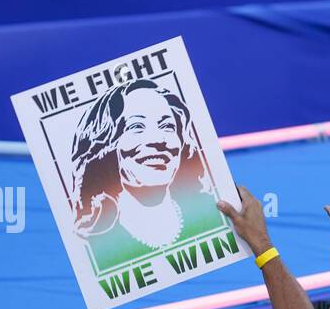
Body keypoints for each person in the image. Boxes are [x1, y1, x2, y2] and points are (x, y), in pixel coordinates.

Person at [66, 79, 227, 272]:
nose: (158, 140)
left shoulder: (217, 216)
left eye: (167, 126)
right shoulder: (86, 245)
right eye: (136, 127)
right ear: (104, 148)